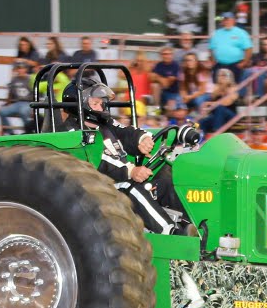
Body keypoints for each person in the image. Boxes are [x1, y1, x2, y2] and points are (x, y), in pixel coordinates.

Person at [67, 75, 183, 234]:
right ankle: (172, 236)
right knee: (132, 188)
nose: (101, 108)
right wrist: (130, 170)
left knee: (167, 184)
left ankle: (195, 232)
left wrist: (142, 140)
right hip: (98, 191)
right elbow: (99, 161)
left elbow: (127, 132)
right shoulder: (72, 134)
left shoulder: (105, 124)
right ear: (79, 105)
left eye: (101, 103)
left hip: (121, 181)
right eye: (95, 103)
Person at [209, 12, 253, 84]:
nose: (225, 21)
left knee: (234, 87)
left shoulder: (241, 33)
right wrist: (213, 61)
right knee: (217, 87)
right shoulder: (216, 33)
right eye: (223, 20)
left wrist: (244, 63)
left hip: (235, 65)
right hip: (219, 64)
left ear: (233, 20)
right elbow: (211, 48)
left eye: (227, 19)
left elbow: (248, 49)